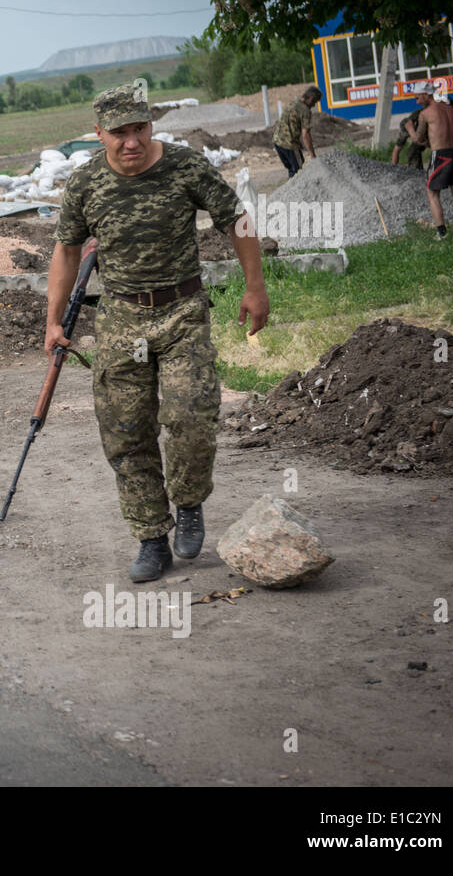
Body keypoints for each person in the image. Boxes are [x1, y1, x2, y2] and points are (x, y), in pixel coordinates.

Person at [49, 85, 269, 583]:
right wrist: (54, 322)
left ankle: (189, 504)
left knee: (192, 413)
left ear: (151, 126)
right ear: (99, 133)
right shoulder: (85, 183)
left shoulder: (185, 167)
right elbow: (66, 250)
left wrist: (255, 289)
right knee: (126, 433)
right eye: (120, 133)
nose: (132, 142)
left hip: (181, 312)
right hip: (121, 322)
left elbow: (237, 220)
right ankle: (151, 536)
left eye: (140, 129)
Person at [413, 82, 453, 237]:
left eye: (418, 98)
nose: (417, 102)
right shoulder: (451, 109)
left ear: (426, 95)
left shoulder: (425, 114)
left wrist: (410, 129)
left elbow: (418, 138)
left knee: (432, 193)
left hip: (440, 155)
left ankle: (441, 232)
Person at [271, 86, 321, 177]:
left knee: (292, 170)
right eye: (315, 102)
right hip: (289, 145)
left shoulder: (293, 103)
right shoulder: (305, 111)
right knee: (299, 173)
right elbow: (305, 134)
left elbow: (290, 123)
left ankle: (291, 190)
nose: (314, 105)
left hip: (277, 142)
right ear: (311, 99)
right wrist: (313, 155)